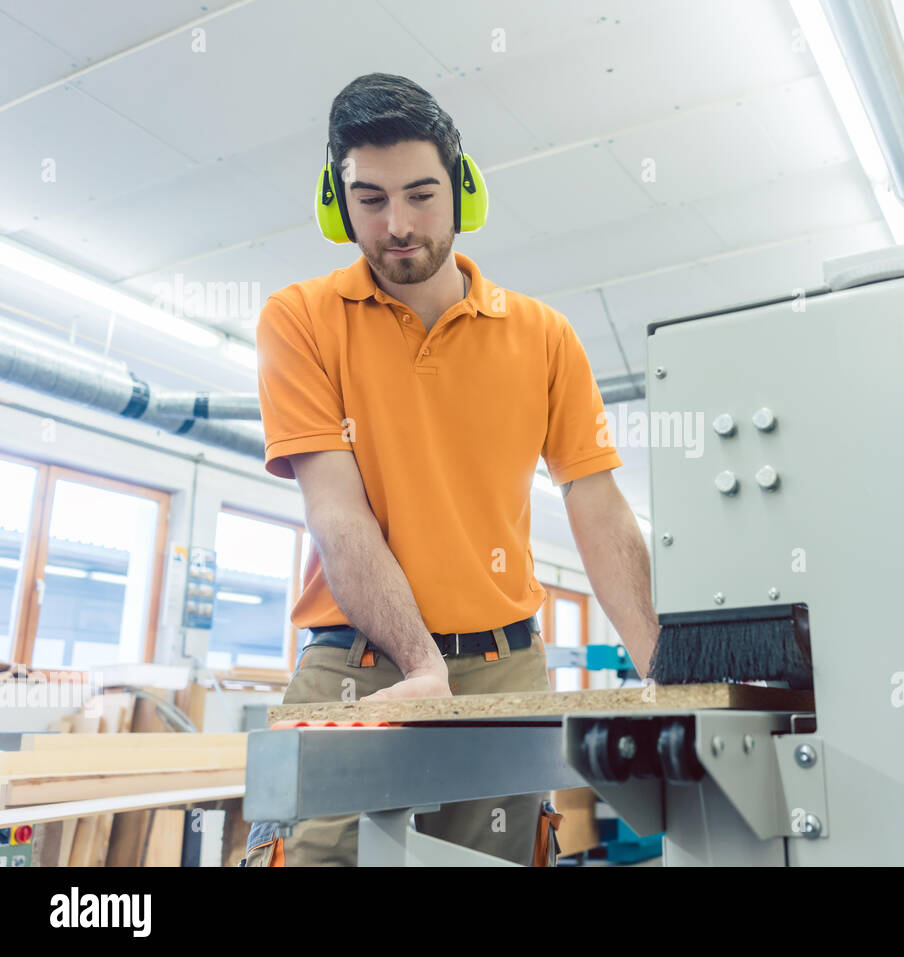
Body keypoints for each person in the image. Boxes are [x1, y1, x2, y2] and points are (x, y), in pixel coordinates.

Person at [243, 73, 659, 867]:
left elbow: (597, 505)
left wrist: (663, 673)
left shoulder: (544, 336)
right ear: (337, 202)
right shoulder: (298, 319)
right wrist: (424, 663)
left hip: (507, 669)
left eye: (421, 194)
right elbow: (337, 513)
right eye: (369, 199)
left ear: (465, 190)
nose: (398, 225)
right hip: (356, 668)